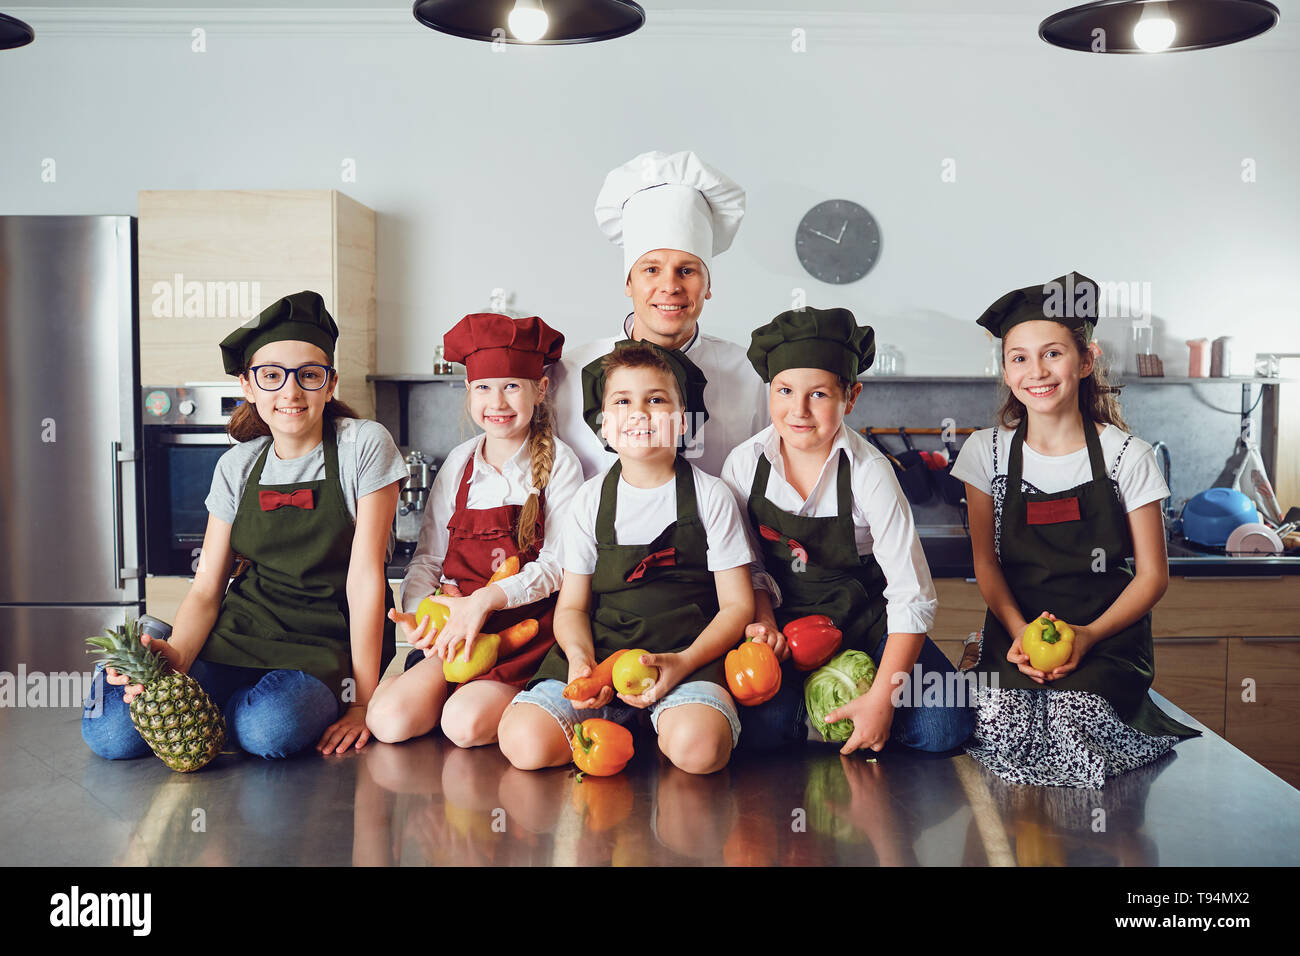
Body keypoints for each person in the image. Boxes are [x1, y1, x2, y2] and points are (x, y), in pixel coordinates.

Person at [82, 291, 408, 760]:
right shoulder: (238, 465)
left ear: (330, 383)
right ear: (249, 386)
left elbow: (365, 580)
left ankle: (211, 711)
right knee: (109, 736)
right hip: (240, 629)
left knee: (269, 730)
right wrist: (177, 657)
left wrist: (362, 701)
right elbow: (207, 590)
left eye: (308, 376)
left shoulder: (363, 445)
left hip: (322, 648)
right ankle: (169, 654)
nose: (290, 393)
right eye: (271, 376)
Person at [951, 271, 1199, 789]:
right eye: (1018, 357)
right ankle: (985, 647)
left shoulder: (1127, 455)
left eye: (1053, 354)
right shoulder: (986, 452)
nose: (1036, 371)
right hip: (1015, 636)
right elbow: (986, 564)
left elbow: (1152, 577)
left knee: (1071, 725)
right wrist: (1019, 633)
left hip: (1107, 639)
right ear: (1005, 369)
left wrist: (1085, 637)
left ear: (1086, 361)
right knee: (997, 724)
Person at [721, 307, 974, 754]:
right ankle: (812, 708)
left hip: (865, 620)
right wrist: (762, 622)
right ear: (769, 391)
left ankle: (855, 708)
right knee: (760, 736)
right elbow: (749, 567)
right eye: (784, 390)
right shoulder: (744, 463)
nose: (798, 410)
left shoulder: (871, 471)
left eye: (818, 394)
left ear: (851, 397)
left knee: (944, 729)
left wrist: (882, 699)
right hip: (785, 628)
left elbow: (911, 594)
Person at [497, 341, 756, 775]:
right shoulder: (589, 500)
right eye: (622, 401)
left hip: (688, 655)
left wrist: (682, 664)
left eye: (656, 400)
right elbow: (573, 607)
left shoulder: (712, 497)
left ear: (682, 419)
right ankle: (620, 723)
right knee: (524, 743)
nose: (639, 413)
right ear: (605, 425)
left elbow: (737, 606)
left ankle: (663, 724)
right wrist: (582, 662)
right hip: (600, 656)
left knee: (701, 751)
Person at [365, 313, 583, 747]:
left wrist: (484, 601)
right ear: (468, 393)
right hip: (454, 637)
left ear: (539, 390)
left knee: (462, 727)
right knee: (388, 722)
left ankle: (522, 700)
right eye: (483, 387)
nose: (497, 402)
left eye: (512, 386)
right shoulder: (459, 463)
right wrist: (424, 612)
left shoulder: (560, 463)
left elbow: (560, 565)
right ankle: (420, 686)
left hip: (526, 636)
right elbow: (428, 557)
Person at [551, 149, 767, 478]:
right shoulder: (568, 374)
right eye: (651, 269)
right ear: (628, 282)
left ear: (708, 284)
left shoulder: (753, 378)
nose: (670, 286)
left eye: (687, 270)